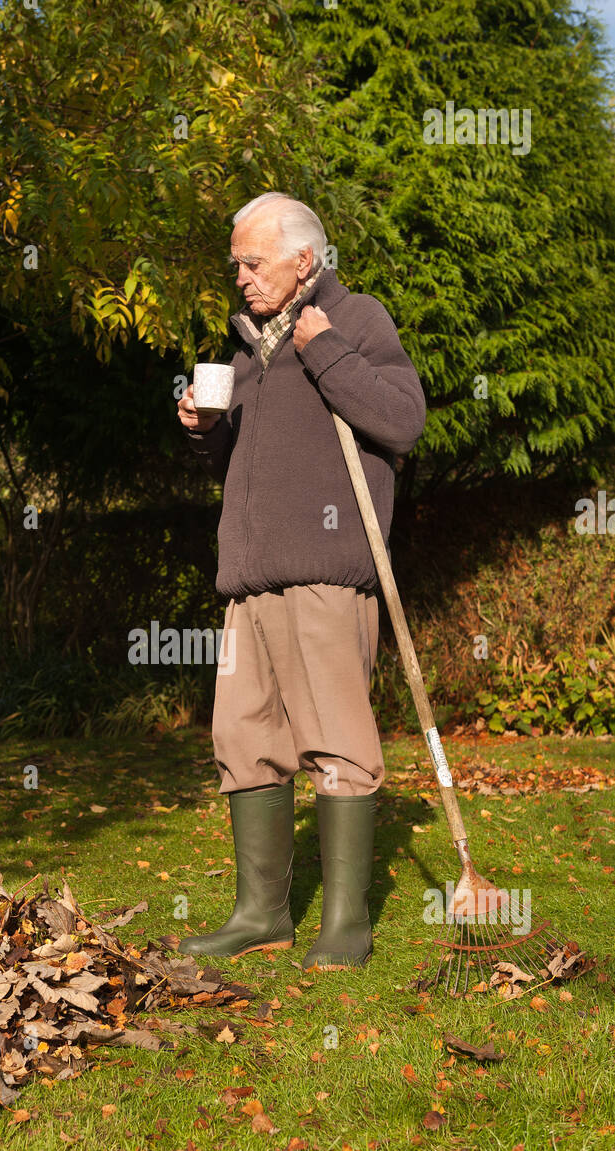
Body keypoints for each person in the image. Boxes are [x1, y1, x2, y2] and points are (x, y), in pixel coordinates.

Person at [176, 191, 426, 968]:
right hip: (248, 580)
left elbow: (401, 422)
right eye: (236, 266)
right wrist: (206, 431)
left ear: (303, 260)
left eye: (252, 262)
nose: (241, 278)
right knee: (243, 738)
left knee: (337, 743)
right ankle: (261, 914)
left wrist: (326, 351)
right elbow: (243, 466)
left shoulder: (354, 321)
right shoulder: (248, 347)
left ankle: (344, 922)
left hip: (324, 573)